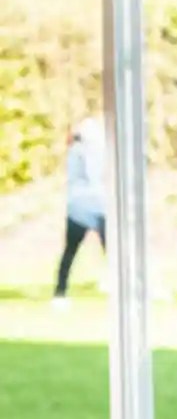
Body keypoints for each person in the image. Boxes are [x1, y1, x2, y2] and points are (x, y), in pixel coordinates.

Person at [52, 116, 108, 307]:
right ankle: (117, 283)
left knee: (70, 251)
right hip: (96, 205)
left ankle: (60, 291)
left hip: (78, 207)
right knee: (111, 250)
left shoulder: (74, 151)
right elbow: (94, 175)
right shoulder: (90, 151)